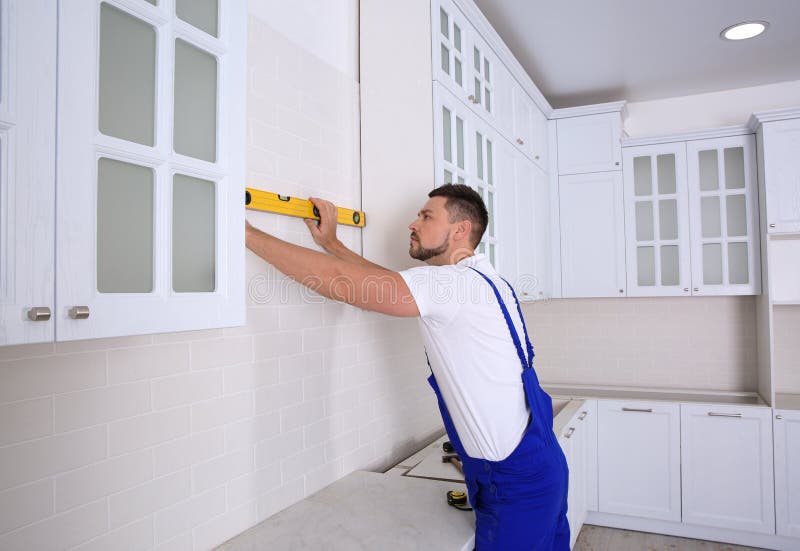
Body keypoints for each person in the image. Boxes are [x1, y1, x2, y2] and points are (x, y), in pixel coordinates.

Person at [245, 183, 569, 550]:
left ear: (461, 230)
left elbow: (342, 283)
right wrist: (332, 244)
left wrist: (246, 233)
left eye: (426, 216)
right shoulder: (484, 281)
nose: (412, 224)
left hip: (515, 485)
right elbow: (388, 284)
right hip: (543, 466)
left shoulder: (453, 286)